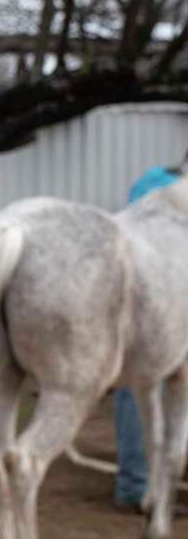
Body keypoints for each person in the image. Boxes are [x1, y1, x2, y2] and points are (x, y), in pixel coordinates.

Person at [112, 159, 185, 511]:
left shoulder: (150, 182)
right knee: (138, 388)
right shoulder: (161, 187)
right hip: (153, 306)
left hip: (145, 302)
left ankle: (141, 483)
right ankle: (137, 484)